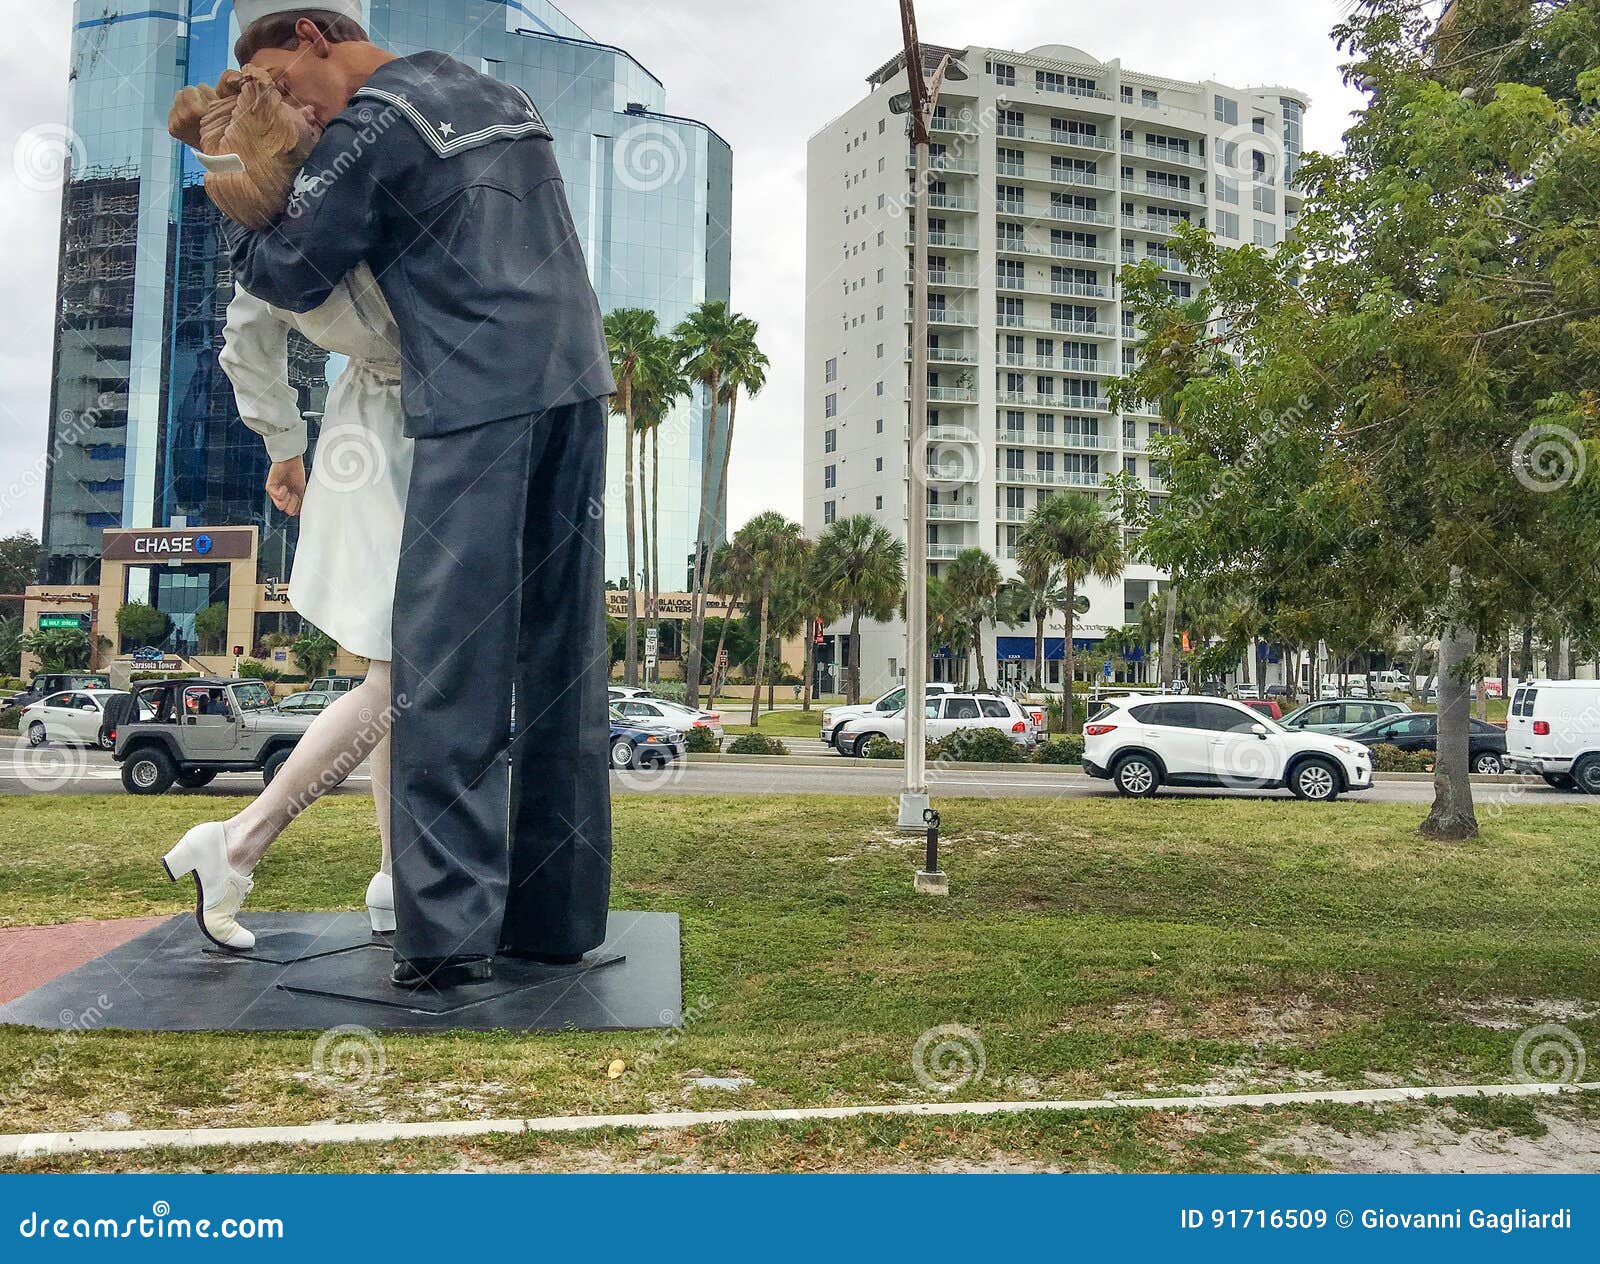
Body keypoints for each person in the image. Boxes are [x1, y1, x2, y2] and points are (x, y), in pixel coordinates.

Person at [187, 2, 616, 990]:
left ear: (309, 36)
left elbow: (292, 267)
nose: (297, 111)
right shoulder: (493, 90)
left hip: (476, 395)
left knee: (444, 666)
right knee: (557, 666)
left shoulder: (373, 124)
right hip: (575, 379)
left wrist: (239, 197)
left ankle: (446, 936)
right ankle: (553, 920)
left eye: (288, 87)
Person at [161, 65, 410, 953]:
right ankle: (238, 841)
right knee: (396, 676)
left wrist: (286, 446)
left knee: (392, 668)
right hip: (405, 436)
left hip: (360, 435)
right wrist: (287, 446)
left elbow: (243, 348)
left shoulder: (267, 246)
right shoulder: (359, 202)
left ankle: (392, 873)